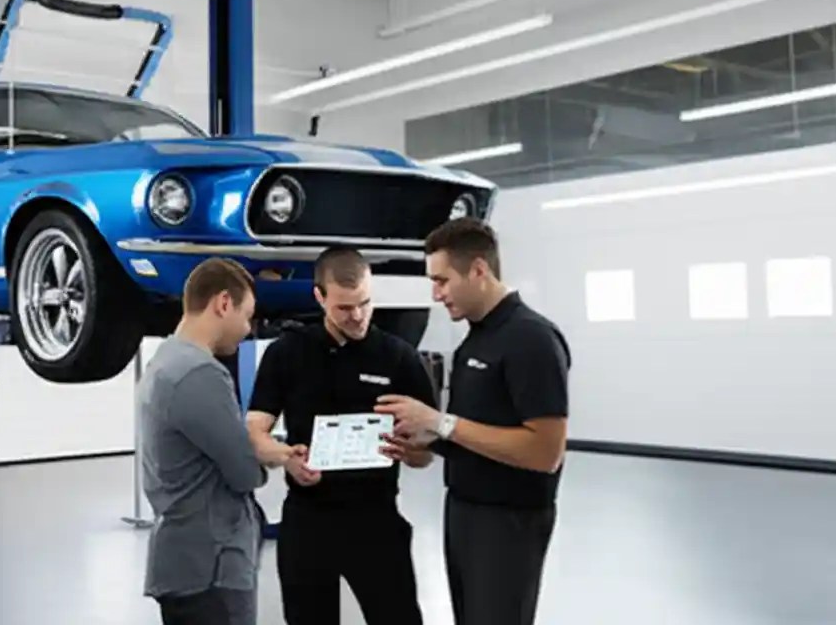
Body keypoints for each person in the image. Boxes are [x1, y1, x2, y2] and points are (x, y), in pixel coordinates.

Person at [375, 217, 571, 625]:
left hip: (508, 523)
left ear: (479, 270)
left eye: (442, 280)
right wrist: (425, 442)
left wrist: (441, 423)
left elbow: (545, 451)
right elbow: (472, 430)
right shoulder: (476, 338)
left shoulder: (530, 339)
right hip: (464, 512)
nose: (436, 293)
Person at [246, 246, 437, 625]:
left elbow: (426, 454)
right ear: (319, 297)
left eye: (365, 303)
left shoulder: (400, 359)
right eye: (344, 308)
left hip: (376, 517)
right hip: (308, 519)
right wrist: (286, 457)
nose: (358, 316)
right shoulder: (287, 354)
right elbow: (254, 432)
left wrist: (410, 451)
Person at [138, 257, 270, 625]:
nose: (247, 329)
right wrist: (262, 460)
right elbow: (243, 471)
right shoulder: (200, 373)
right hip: (211, 567)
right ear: (223, 303)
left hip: (182, 559)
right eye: (246, 316)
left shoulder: (164, 362)